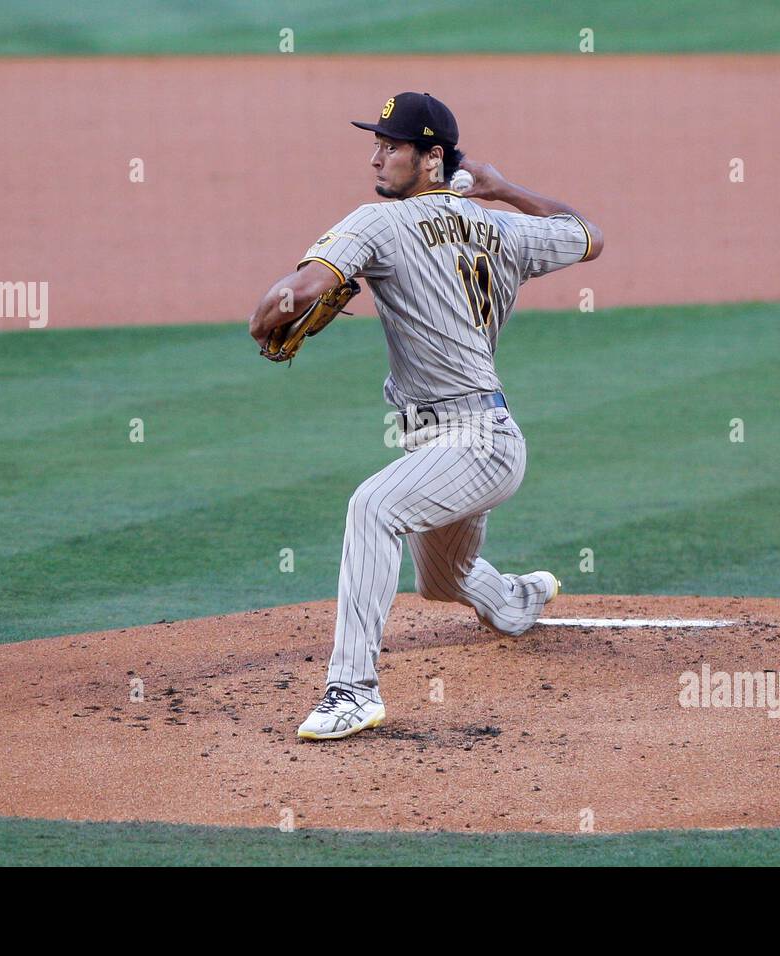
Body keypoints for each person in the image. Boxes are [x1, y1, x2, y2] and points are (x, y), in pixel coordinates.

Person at [247, 92, 604, 740]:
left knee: (372, 507)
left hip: (475, 441)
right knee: (444, 579)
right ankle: (516, 602)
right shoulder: (506, 229)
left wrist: (262, 322)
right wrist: (507, 190)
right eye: (376, 144)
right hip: (472, 446)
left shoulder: (377, 225)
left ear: (433, 158)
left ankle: (351, 690)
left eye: (393, 146)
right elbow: (588, 235)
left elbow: (291, 295)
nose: (377, 157)